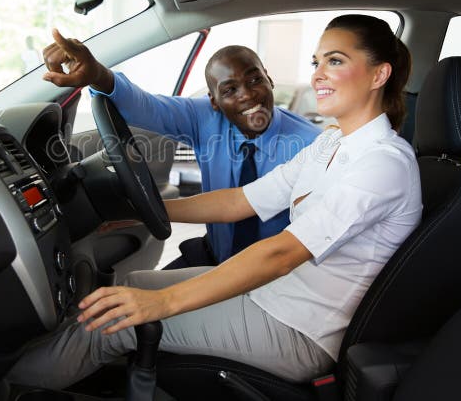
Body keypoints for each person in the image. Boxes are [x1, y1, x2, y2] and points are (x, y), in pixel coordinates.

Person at [9, 14, 422, 389]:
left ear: (378, 74)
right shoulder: (332, 143)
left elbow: (280, 253)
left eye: (334, 61)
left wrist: (162, 303)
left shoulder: (382, 163)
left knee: (112, 321)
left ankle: (2, 388)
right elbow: (239, 201)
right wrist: (145, 209)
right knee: (129, 286)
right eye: (316, 63)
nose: (317, 75)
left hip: (299, 328)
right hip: (271, 295)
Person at [41, 32, 320, 267]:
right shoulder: (205, 117)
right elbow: (144, 106)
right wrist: (97, 75)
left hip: (273, 274)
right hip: (215, 256)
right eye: (230, 89)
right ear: (214, 101)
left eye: (255, 80)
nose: (246, 94)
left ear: (269, 80)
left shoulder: (310, 145)